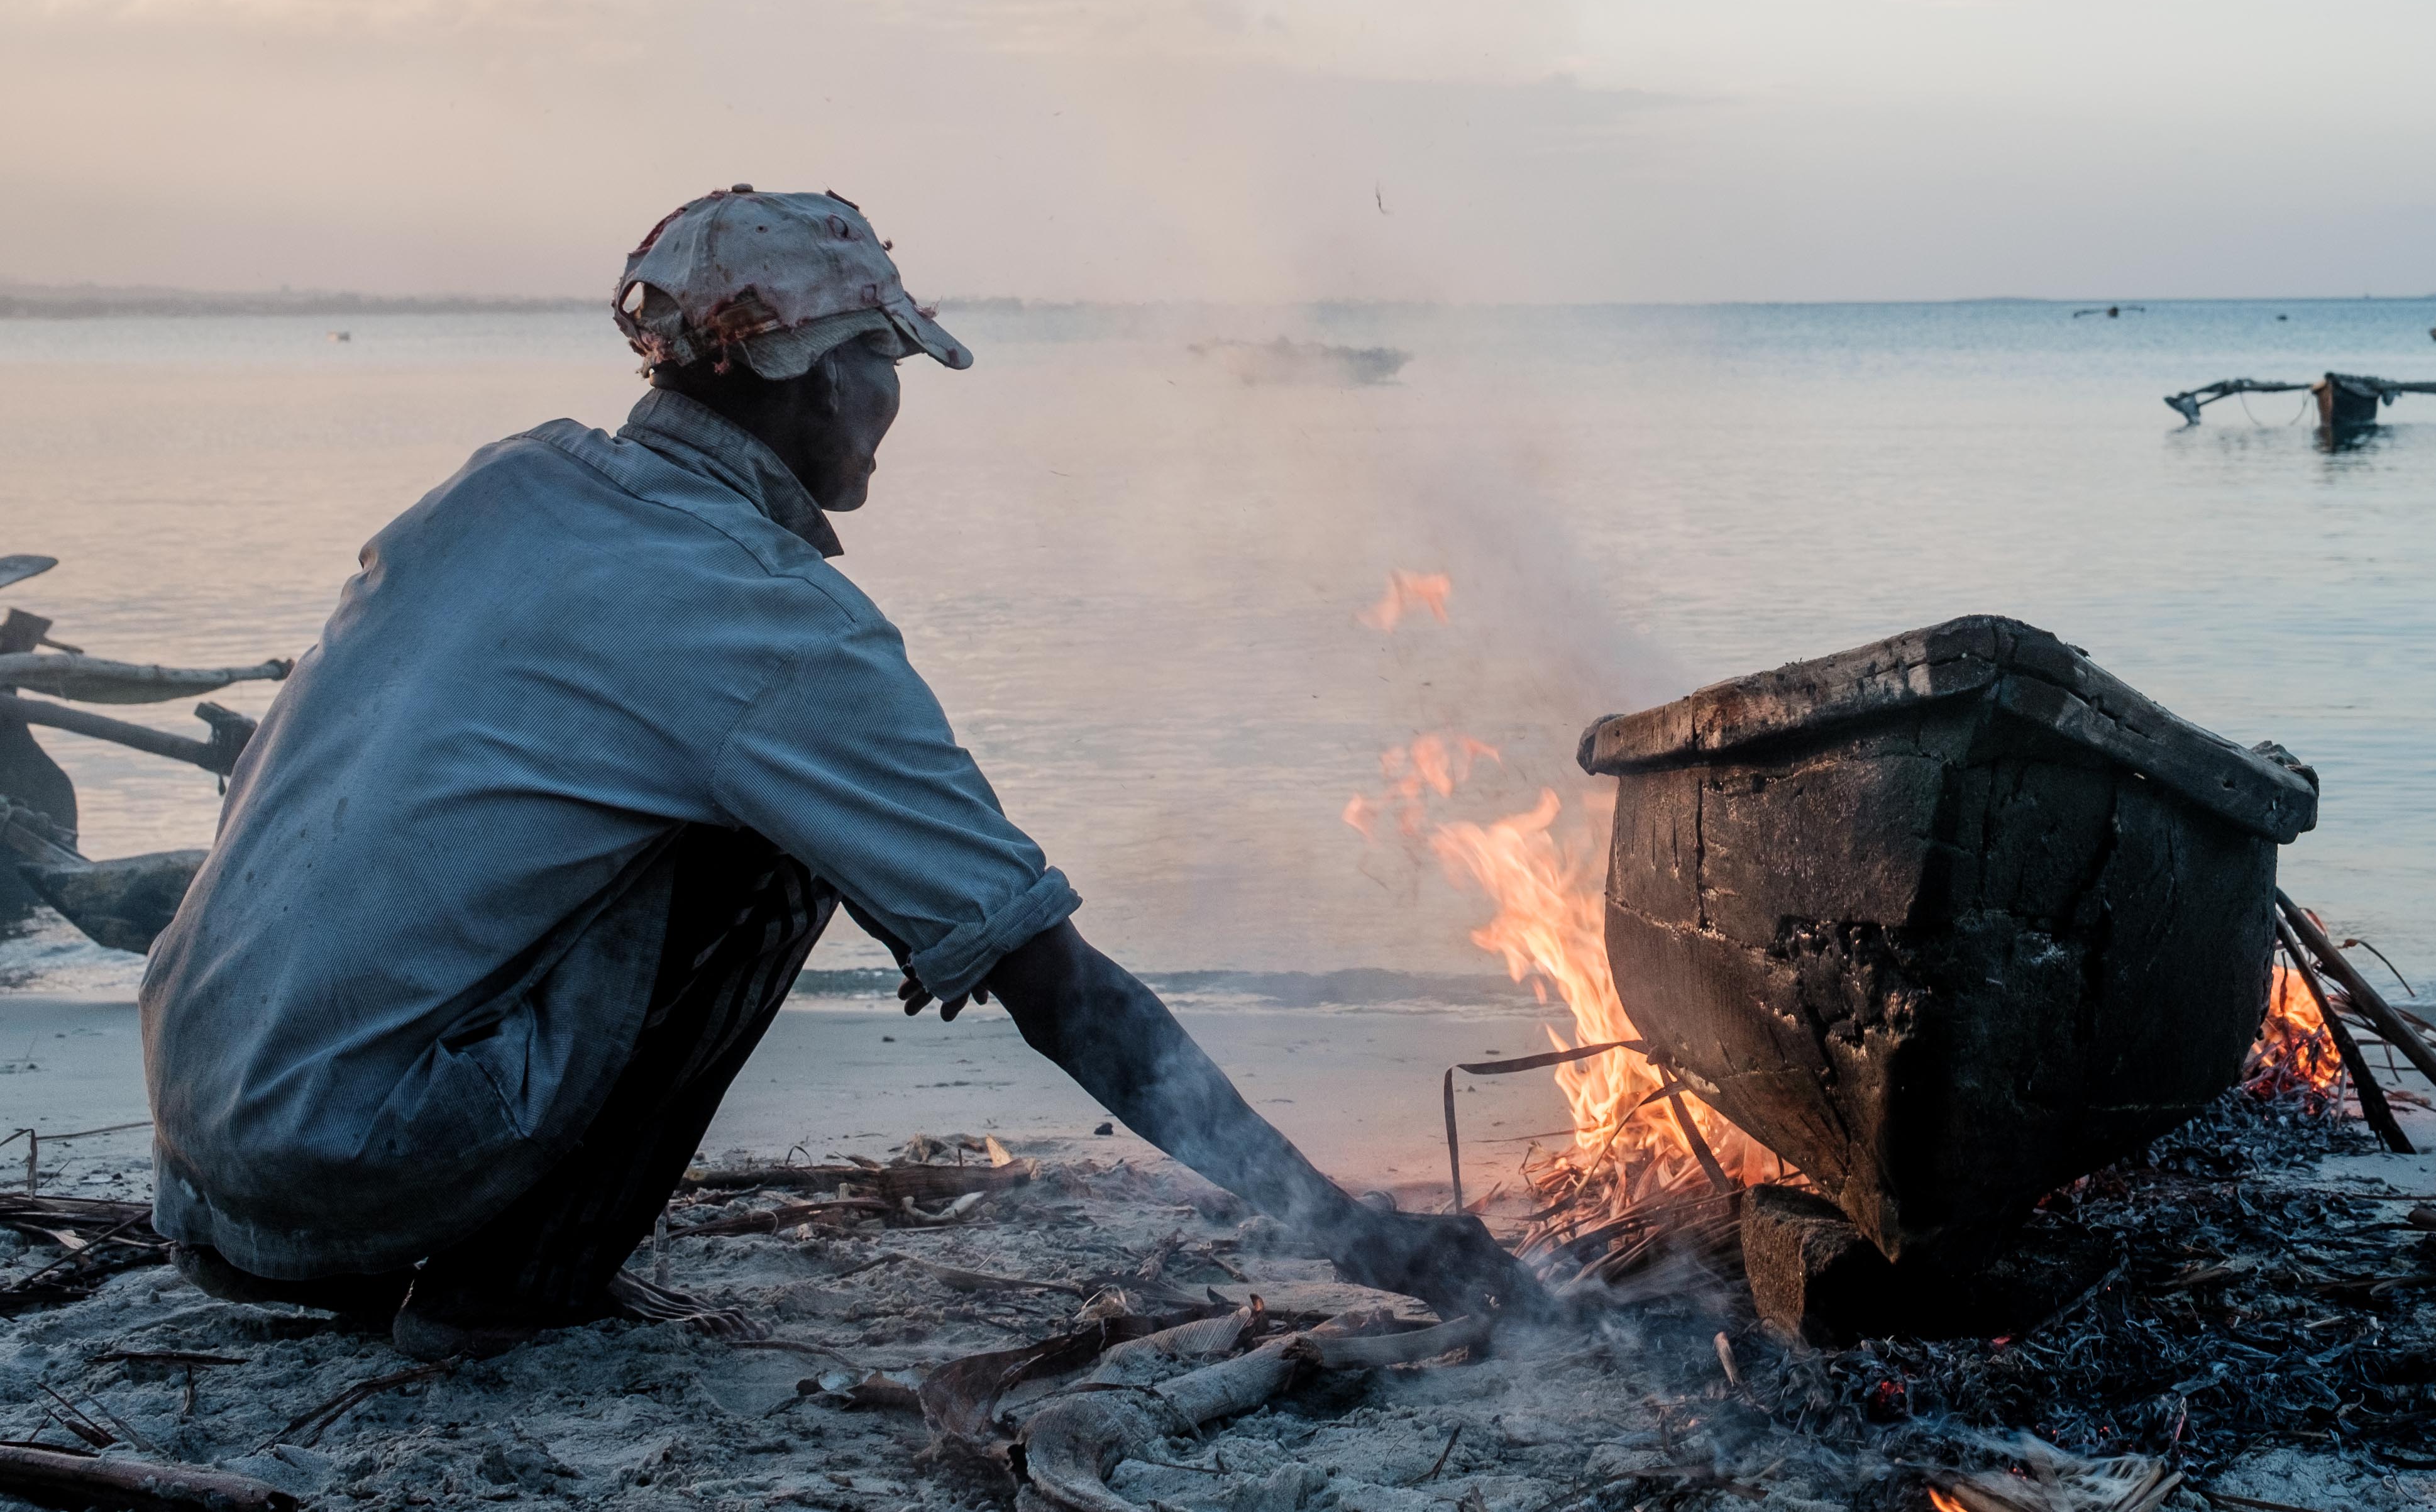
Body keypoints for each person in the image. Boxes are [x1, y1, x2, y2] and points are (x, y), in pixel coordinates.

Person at [140, 185, 1524, 1357]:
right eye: (886, 363)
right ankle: (516, 1287)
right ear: (805, 370)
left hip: (202, 1162)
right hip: (347, 1173)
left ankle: (441, 1246)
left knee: (747, 812)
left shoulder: (499, 487)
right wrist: (1355, 1232)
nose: (890, 403)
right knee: (785, 841)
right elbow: (1050, 979)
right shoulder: (767, 620)